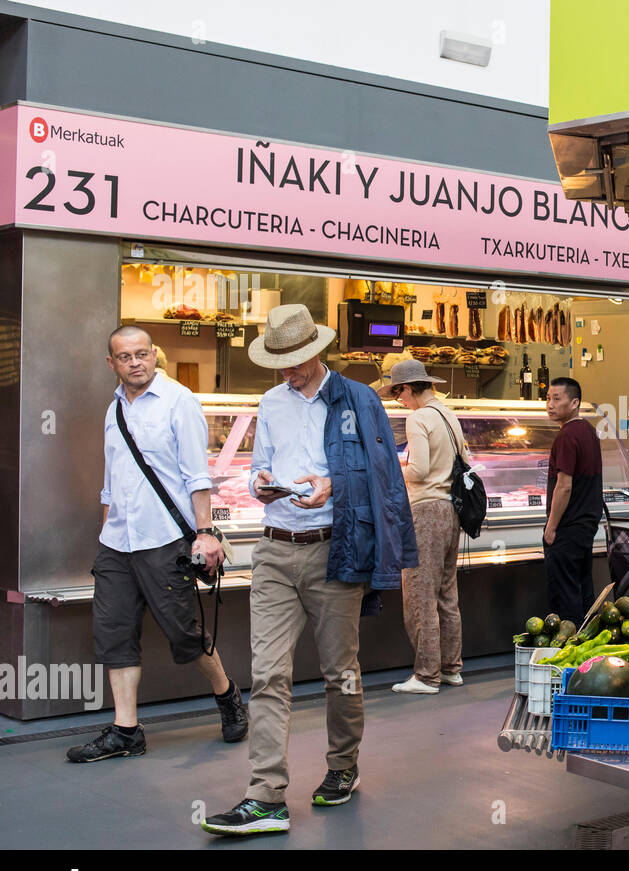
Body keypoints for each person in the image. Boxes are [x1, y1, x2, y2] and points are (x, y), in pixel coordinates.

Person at [202, 304, 417, 837]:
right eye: (280, 362)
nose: (287, 372)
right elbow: (256, 467)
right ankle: (265, 796)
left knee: (339, 671)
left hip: (334, 549)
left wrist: (334, 486)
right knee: (268, 674)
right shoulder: (271, 401)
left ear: (317, 352)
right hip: (274, 549)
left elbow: (385, 473)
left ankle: (343, 766)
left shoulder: (358, 400)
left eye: (295, 361)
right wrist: (263, 482)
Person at [67, 326, 247, 763]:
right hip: (117, 543)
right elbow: (111, 482)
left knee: (184, 633)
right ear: (112, 363)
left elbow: (196, 475)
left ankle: (227, 695)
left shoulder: (178, 401)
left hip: (164, 539)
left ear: (154, 356)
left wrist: (205, 533)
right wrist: (105, 533)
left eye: (142, 354)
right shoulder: (114, 409)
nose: (135, 362)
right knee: (113, 633)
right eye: (125, 357)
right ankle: (126, 730)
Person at [377, 359, 465, 695]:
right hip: (450, 510)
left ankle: (427, 675)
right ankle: (451, 668)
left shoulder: (418, 418)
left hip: (425, 510)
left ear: (410, 388)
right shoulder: (448, 415)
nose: (398, 399)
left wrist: (390, 471)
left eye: (398, 391)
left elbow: (420, 469)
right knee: (446, 593)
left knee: (419, 594)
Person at [543, 377, 602, 624]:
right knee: (583, 592)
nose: (550, 404)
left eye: (557, 398)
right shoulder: (588, 430)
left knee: (565, 598)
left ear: (575, 402)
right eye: (547, 398)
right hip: (585, 527)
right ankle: (588, 654)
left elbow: (564, 486)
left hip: (567, 528)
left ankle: (569, 653)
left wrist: (552, 527)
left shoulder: (567, 436)